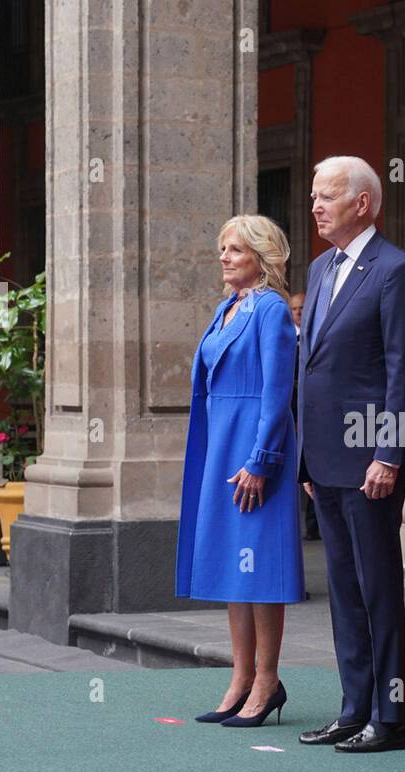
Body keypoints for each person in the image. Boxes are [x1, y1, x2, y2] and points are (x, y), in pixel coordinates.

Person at [296, 156, 405, 753]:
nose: (317, 206)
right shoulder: (322, 266)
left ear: (364, 203)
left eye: (328, 196)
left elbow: (404, 371)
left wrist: (390, 453)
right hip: (323, 460)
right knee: (344, 590)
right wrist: (302, 460)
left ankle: (390, 716)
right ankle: (353, 709)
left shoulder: (395, 271)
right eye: (315, 196)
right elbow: (312, 368)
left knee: (378, 590)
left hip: (370, 458)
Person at [175, 214, 303, 728]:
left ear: (262, 256)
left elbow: (278, 391)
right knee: (234, 564)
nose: (223, 256)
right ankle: (241, 677)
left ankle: (268, 681)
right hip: (220, 442)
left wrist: (262, 460)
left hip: (254, 445)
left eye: (235, 249)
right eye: (222, 248)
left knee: (260, 568)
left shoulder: (270, 309)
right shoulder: (228, 307)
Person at [287, 291, 320, 540]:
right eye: (295, 309)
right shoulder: (287, 337)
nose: (299, 312)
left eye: (302, 308)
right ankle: (310, 525)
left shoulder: (317, 333)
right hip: (294, 403)